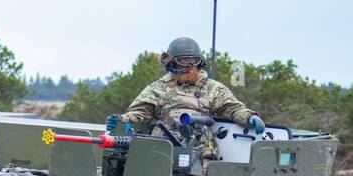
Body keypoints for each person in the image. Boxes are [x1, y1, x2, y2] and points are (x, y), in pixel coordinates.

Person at [107, 37, 266, 135]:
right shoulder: (159, 88)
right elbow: (140, 113)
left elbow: (233, 108)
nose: (189, 66)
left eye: (193, 60)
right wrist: (121, 119)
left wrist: (250, 117)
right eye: (183, 61)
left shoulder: (213, 88)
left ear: (199, 62)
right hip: (162, 152)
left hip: (201, 155)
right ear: (172, 63)